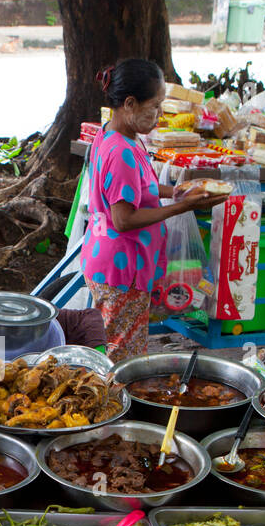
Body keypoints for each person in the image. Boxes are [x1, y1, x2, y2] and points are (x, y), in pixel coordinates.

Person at [79, 59, 228, 363]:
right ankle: (119, 408)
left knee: (113, 346)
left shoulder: (114, 135)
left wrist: (175, 191)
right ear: (130, 104)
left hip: (107, 261)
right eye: (156, 106)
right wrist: (181, 206)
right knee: (121, 357)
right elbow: (123, 219)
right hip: (121, 270)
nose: (160, 115)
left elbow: (136, 187)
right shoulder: (121, 152)